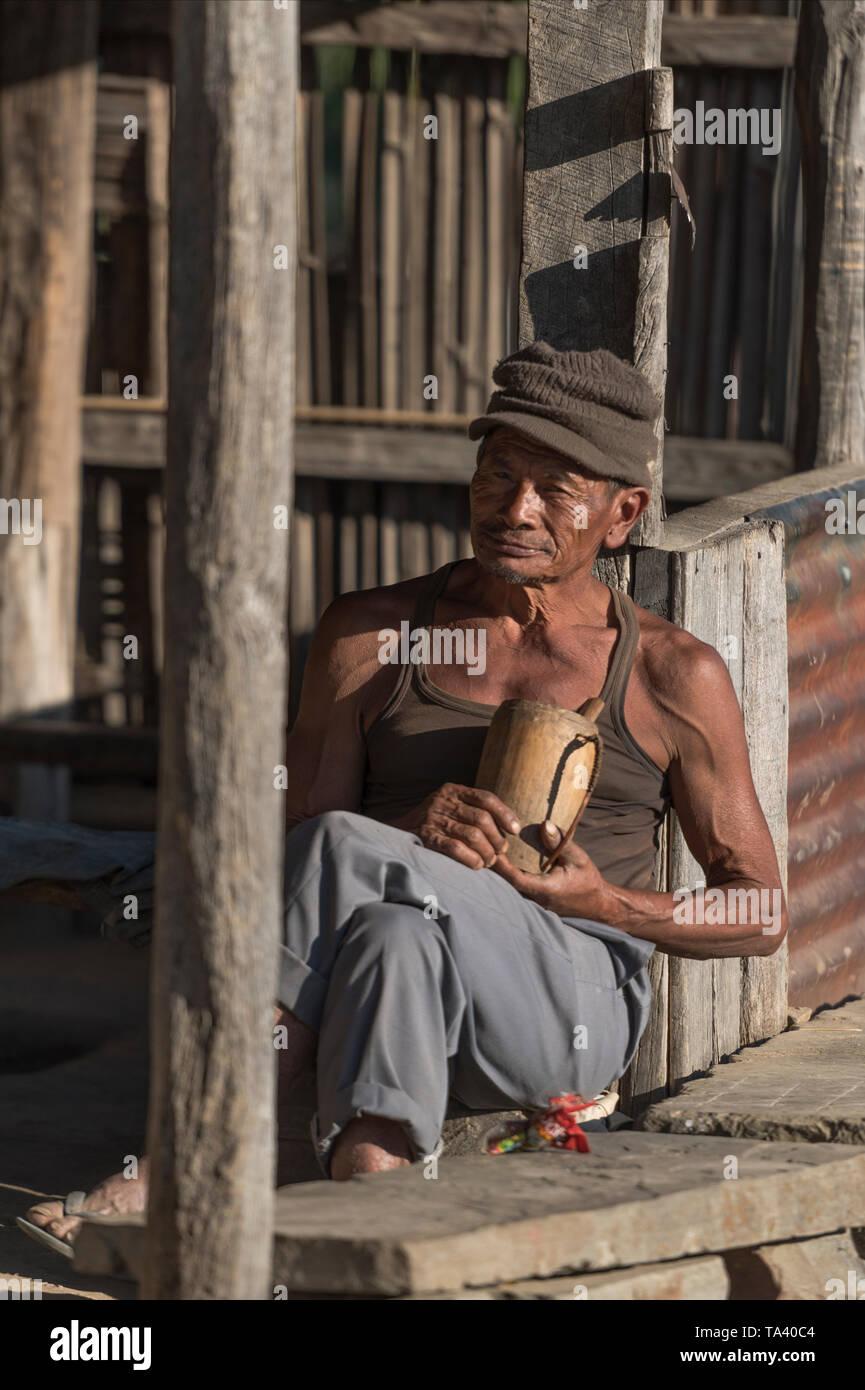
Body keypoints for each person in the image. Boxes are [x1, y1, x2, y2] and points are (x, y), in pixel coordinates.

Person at [21, 341, 786, 1250]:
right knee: (391, 929)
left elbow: (760, 909)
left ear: (622, 515)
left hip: (567, 1000)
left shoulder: (670, 672)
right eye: (496, 474)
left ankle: (199, 1156)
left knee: (351, 853)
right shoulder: (373, 633)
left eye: (554, 488)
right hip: (388, 982)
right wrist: (408, 831)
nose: (514, 508)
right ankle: (374, 1221)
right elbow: (292, 840)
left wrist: (603, 900)